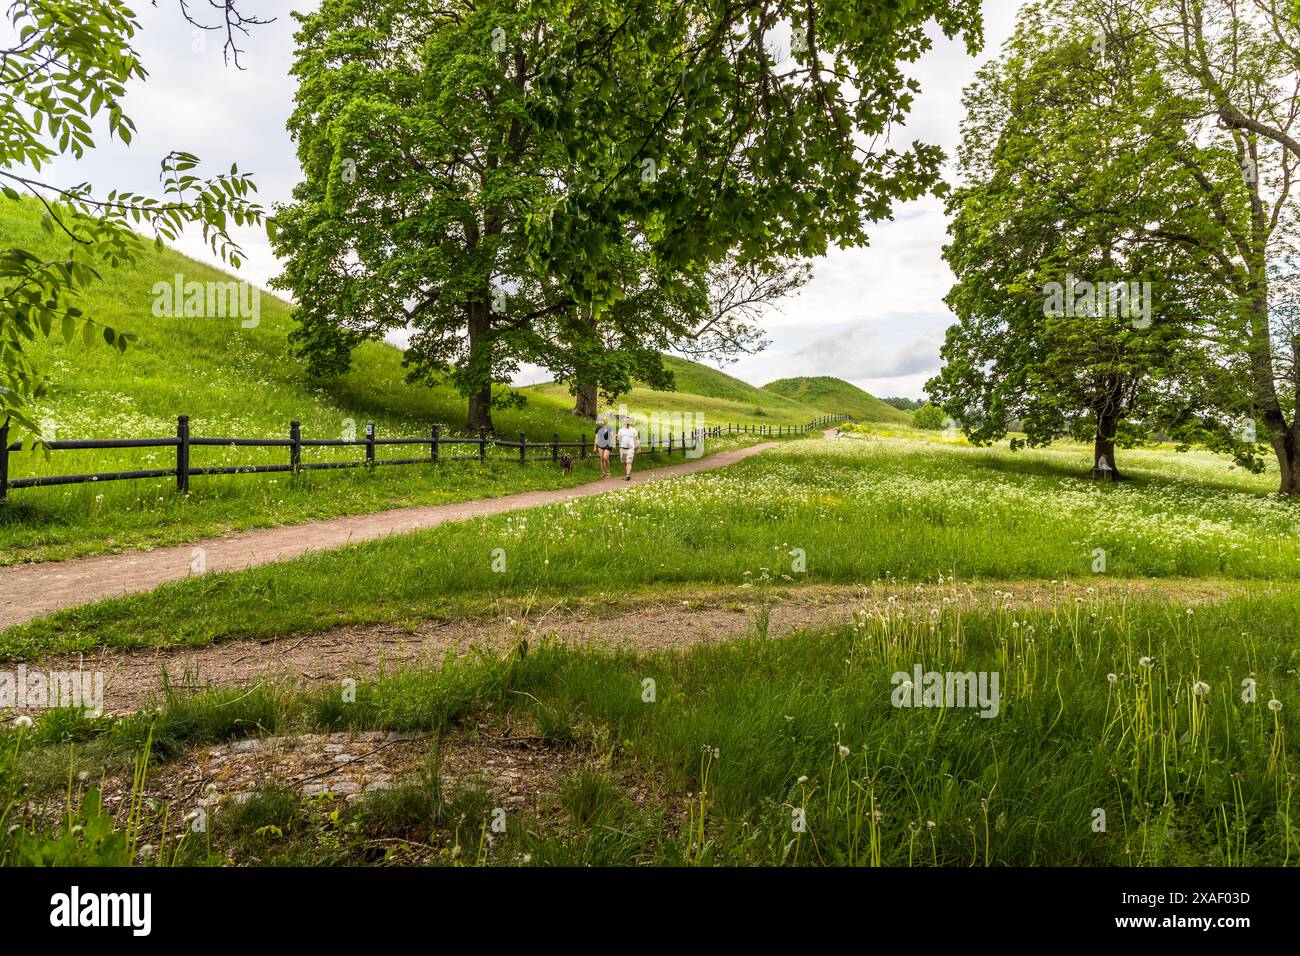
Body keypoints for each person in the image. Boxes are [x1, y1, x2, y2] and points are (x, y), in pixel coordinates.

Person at [616, 416, 640, 481]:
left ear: (630, 422)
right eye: (625, 421)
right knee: (624, 462)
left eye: (628, 421)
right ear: (623, 422)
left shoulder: (633, 430)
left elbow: (637, 439)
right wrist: (616, 437)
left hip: (630, 449)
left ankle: (628, 475)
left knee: (629, 462)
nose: (627, 422)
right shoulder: (621, 430)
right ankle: (628, 472)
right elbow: (618, 439)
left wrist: (638, 448)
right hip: (622, 449)